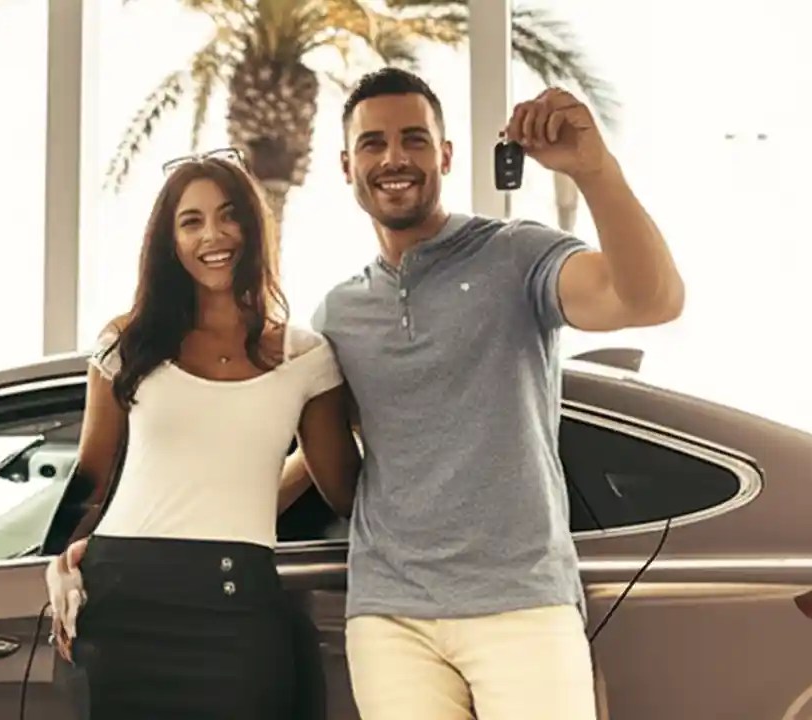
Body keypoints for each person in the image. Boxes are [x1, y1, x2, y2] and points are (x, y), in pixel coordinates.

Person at [286, 68, 686, 720]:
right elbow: (342, 446)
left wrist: (595, 170)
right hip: (391, 618)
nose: (394, 158)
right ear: (345, 164)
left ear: (444, 155)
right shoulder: (338, 312)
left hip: (523, 603)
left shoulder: (516, 256)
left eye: (414, 140)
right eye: (373, 143)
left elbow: (652, 300)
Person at [47, 148, 361, 720]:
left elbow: (343, 490)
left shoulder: (306, 357)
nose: (212, 235)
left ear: (253, 226)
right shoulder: (128, 341)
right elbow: (91, 475)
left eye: (228, 215)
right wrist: (53, 566)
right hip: (122, 597)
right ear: (169, 242)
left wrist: (383, 410)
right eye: (191, 221)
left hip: (237, 607)